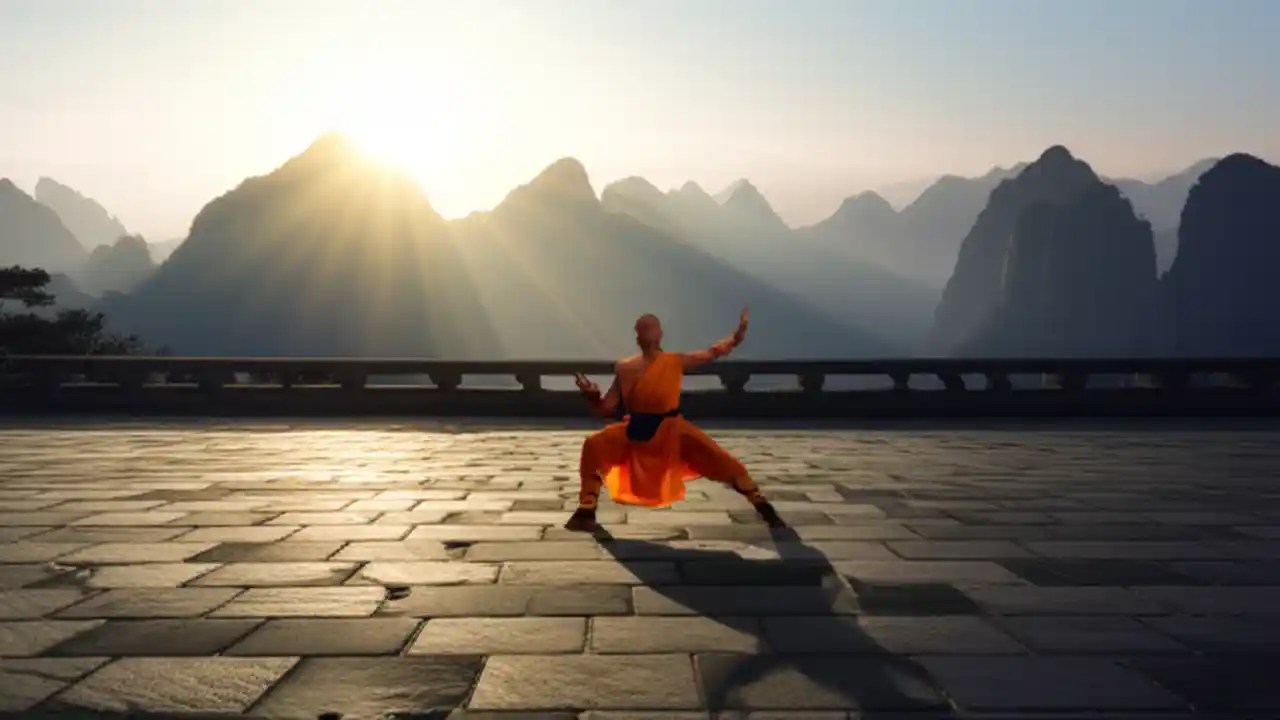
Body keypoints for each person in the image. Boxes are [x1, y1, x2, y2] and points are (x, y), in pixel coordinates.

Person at [565, 307, 786, 531]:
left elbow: (711, 353)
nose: (647, 334)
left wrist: (737, 337)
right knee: (595, 444)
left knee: (718, 458)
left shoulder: (674, 361)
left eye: (651, 328)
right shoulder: (625, 367)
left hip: (671, 428)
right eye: (642, 330)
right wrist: (592, 395)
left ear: (660, 334)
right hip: (636, 427)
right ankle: (586, 507)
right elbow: (606, 407)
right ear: (637, 336)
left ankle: (759, 502)